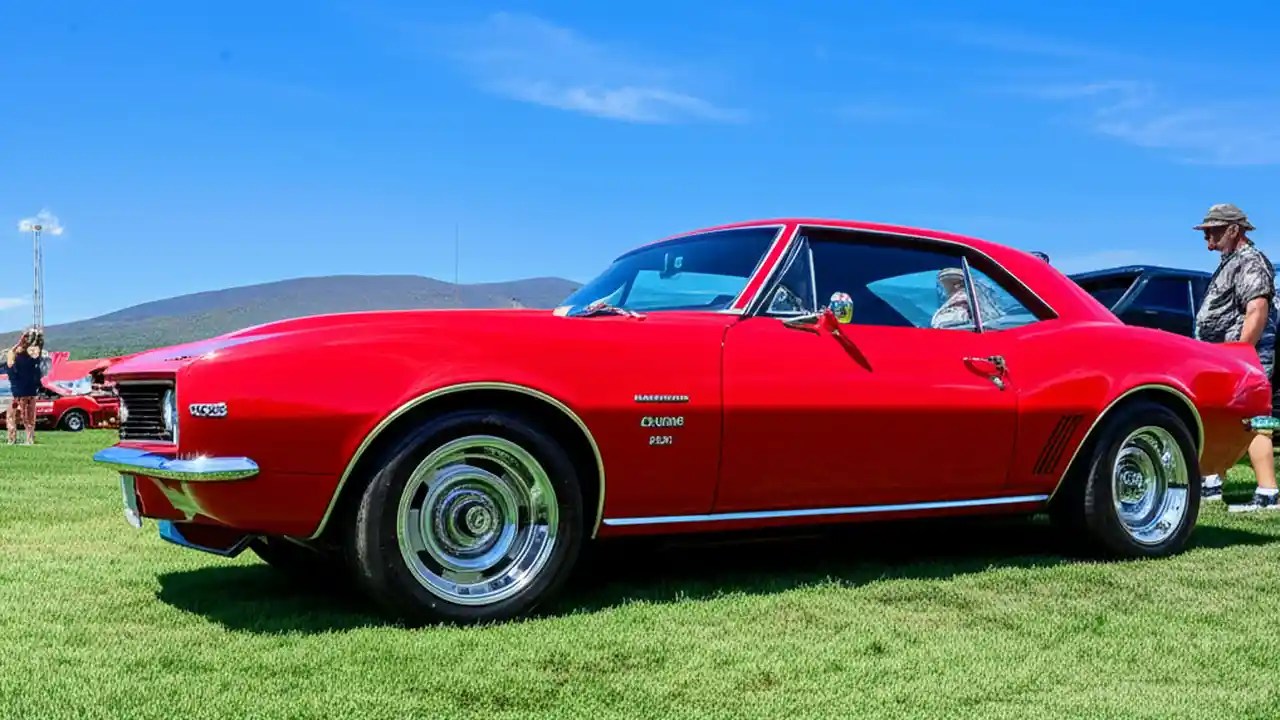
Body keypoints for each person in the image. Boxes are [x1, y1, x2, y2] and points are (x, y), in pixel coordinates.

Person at [1192, 204, 1280, 512]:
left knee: (1252, 420)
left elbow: (1256, 308)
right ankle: (1211, 483)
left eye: (1213, 231)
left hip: (1243, 356)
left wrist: (1243, 353)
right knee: (1220, 417)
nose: (1208, 239)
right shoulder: (1230, 262)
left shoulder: (1251, 261)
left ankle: (1268, 494)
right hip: (1223, 356)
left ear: (1234, 229)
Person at [5, 328, 43, 446]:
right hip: (30, 392)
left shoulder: (15, 356)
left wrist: (20, 342)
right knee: (29, 417)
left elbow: (11, 357)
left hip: (16, 393)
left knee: (12, 416)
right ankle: (29, 439)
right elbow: (38, 352)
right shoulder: (33, 357)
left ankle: (12, 439)